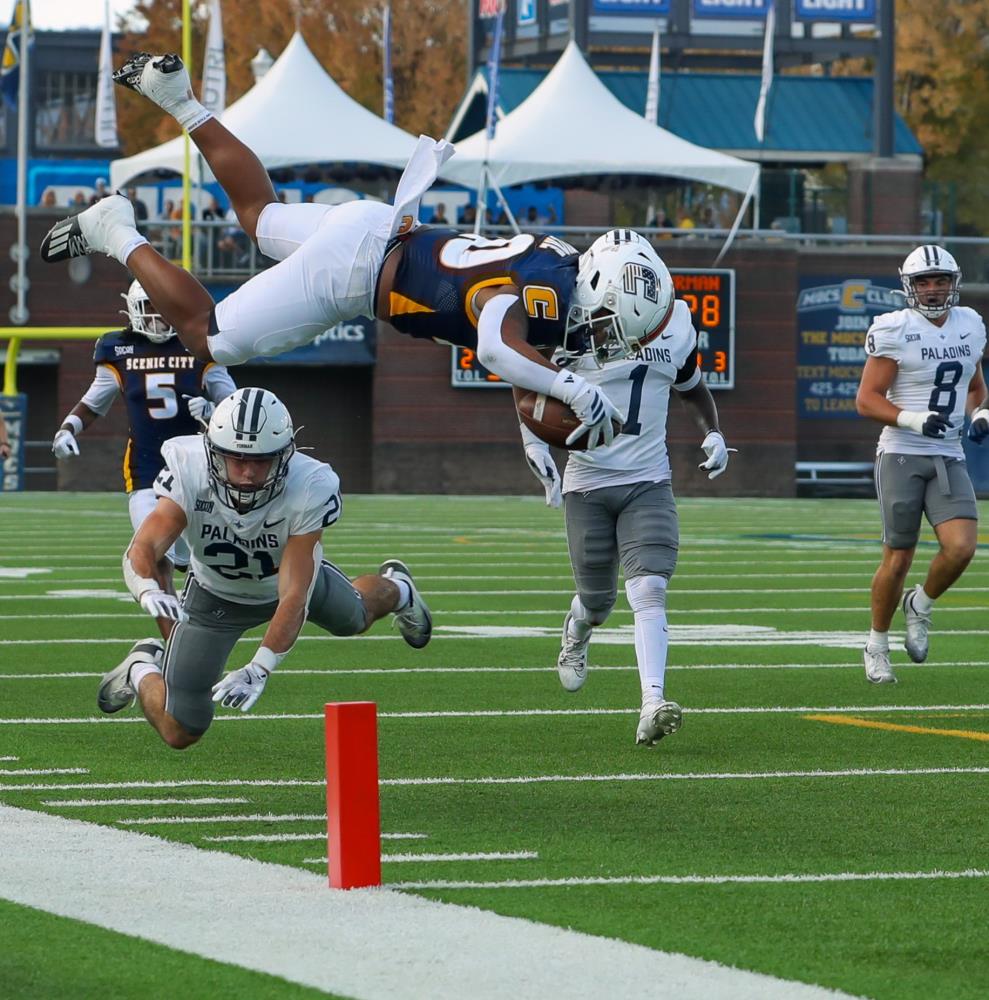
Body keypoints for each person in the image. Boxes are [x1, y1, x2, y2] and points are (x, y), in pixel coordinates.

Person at [38, 52, 680, 453]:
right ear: (599, 291)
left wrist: (539, 431)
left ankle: (177, 98)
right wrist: (567, 384)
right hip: (360, 271)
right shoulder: (550, 294)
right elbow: (494, 345)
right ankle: (114, 228)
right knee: (212, 340)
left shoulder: (559, 262)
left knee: (261, 219)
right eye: (611, 323)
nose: (606, 340)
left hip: (380, 225)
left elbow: (511, 361)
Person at [97, 387, 432, 750]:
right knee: (181, 730)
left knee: (356, 618)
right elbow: (145, 546)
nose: (247, 473)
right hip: (214, 595)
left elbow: (293, 596)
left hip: (283, 582)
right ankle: (143, 665)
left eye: (262, 460)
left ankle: (399, 588)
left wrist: (260, 666)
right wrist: (146, 588)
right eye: (235, 458)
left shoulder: (309, 484)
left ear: (285, 455)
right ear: (212, 451)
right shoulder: (188, 466)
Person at [522, 232, 734, 746]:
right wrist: (534, 444)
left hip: (647, 480)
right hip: (588, 482)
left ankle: (652, 701)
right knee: (597, 602)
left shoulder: (673, 325)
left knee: (650, 588)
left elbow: (693, 388)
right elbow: (526, 389)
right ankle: (577, 632)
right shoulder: (563, 323)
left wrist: (713, 431)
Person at [51, 279, 237, 640]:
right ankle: (175, 643)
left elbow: (233, 407)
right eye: (150, 307)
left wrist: (213, 409)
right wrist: (68, 429)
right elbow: (94, 401)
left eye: (163, 307)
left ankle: (198, 600)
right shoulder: (117, 349)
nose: (157, 316)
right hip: (146, 467)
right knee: (154, 554)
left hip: (197, 467)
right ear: (134, 309)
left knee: (195, 557)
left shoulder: (200, 344)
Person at [856, 245, 988, 684]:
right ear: (909, 286)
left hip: (949, 451)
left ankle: (921, 604)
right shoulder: (894, 329)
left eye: (940, 281)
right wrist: (913, 419)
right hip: (901, 451)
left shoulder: (970, 324)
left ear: (954, 283)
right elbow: (867, 399)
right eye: (924, 282)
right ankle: (876, 644)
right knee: (898, 558)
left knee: (962, 547)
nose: (933, 290)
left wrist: (980, 413)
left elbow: (973, 385)